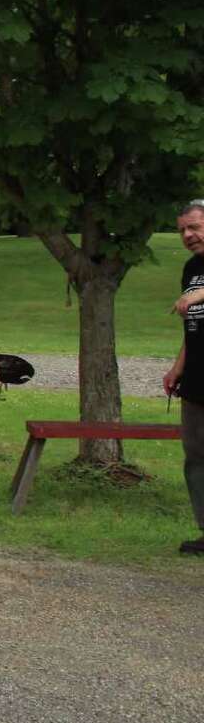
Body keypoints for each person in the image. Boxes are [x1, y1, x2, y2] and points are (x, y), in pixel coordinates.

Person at [163, 200, 204, 554]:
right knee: (196, 456)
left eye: (194, 227)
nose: (188, 235)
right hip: (196, 379)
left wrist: (201, 293)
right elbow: (194, 328)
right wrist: (178, 367)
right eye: (182, 230)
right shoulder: (192, 269)